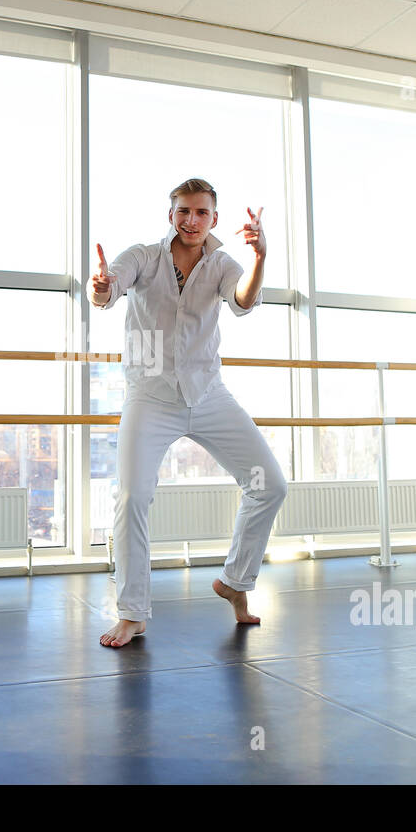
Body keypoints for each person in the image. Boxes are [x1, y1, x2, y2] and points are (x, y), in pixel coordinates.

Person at [91, 177, 289, 648]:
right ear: (171, 215)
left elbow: (243, 300)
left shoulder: (223, 263)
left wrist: (261, 256)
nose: (192, 220)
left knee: (271, 485)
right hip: (151, 396)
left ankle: (235, 582)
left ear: (214, 219)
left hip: (208, 394)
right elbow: (108, 289)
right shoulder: (142, 256)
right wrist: (102, 286)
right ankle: (132, 612)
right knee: (133, 498)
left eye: (201, 213)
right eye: (183, 211)